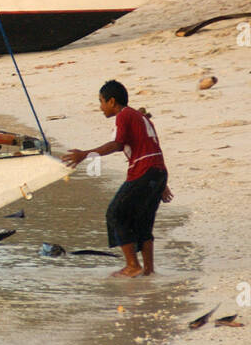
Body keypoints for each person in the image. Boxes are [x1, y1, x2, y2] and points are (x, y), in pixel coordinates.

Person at [62, 79, 171, 277]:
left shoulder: (124, 115)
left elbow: (117, 144)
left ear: (112, 102)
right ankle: (148, 270)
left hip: (144, 171)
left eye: (101, 101)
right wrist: (161, 184)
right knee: (144, 222)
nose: (100, 107)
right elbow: (153, 147)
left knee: (115, 213)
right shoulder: (141, 117)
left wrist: (84, 154)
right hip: (157, 171)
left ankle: (132, 265)